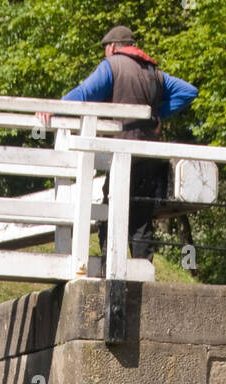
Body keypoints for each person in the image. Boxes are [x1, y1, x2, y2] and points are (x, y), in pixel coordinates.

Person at [40, 25, 198, 261]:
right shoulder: (155, 73)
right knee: (142, 219)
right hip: (149, 155)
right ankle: (141, 276)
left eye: (106, 49)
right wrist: (157, 114)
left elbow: (85, 93)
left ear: (112, 47)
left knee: (112, 209)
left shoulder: (112, 66)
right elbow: (189, 91)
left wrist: (55, 109)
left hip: (122, 152)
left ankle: (108, 268)